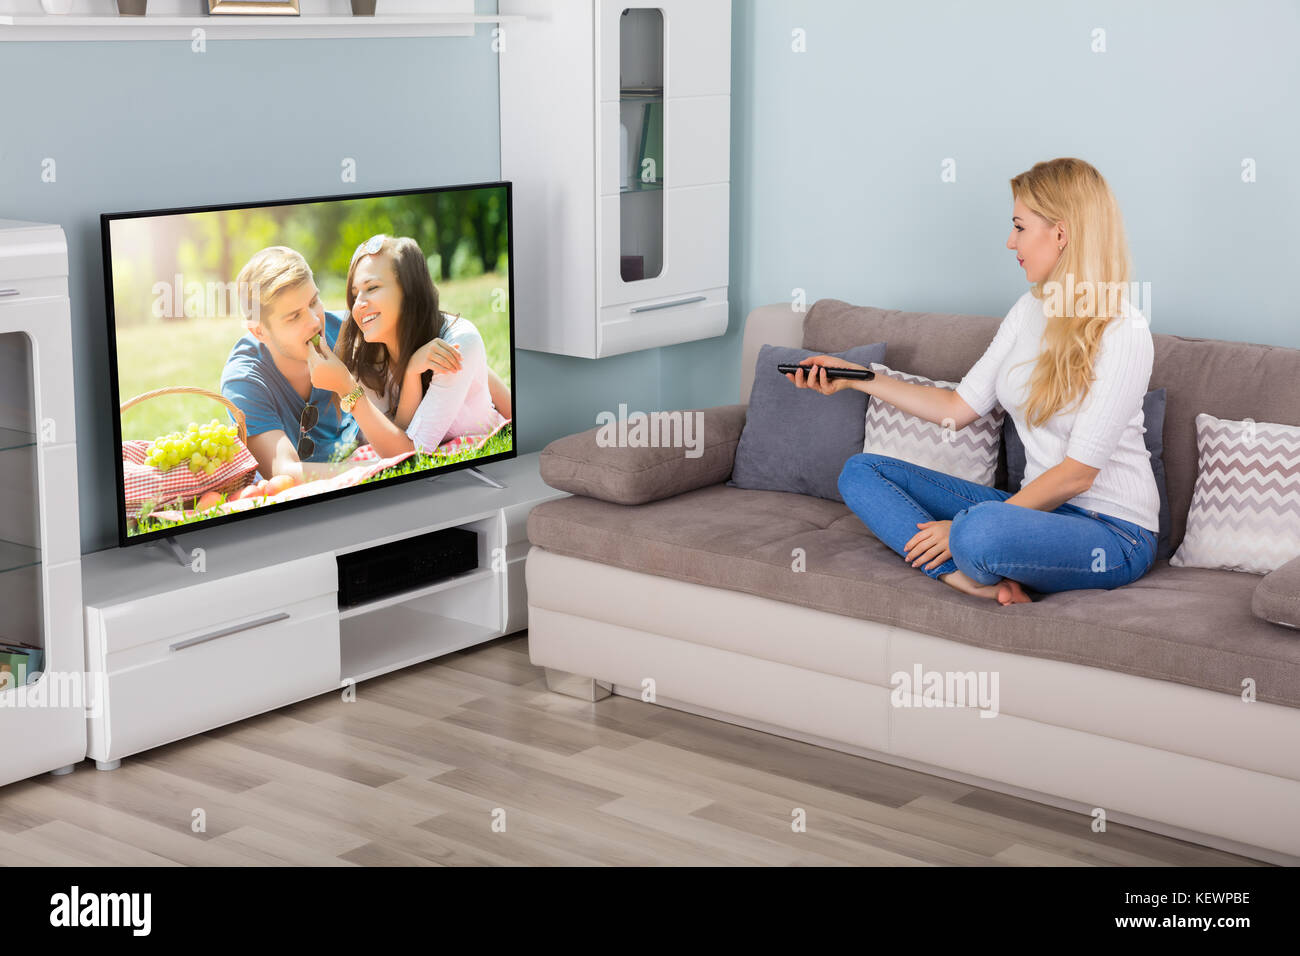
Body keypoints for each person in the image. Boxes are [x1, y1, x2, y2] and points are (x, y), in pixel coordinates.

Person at [791, 157, 1159, 606]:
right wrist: (862, 379)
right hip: (1033, 516)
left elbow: (1078, 475)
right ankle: (961, 576)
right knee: (863, 471)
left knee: (979, 530)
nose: (1010, 242)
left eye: (1020, 227)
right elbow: (956, 409)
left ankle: (971, 549)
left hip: (1115, 533)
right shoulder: (1029, 311)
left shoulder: (1124, 329)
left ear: (1060, 234)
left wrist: (964, 528)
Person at [306, 234, 508, 458]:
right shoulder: (369, 356)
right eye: (354, 295)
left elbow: (412, 454)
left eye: (372, 287)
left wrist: (347, 388)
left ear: (409, 291)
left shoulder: (458, 341)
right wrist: (411, 373)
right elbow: (396, 440)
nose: (358, 305)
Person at [220, 246, 362, 482]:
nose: (315, 321)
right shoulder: (244, 380)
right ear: (259, 332)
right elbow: (286, 472)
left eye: (314, 301)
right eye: (294, 316)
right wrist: (376, 469)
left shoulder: (350, 332)